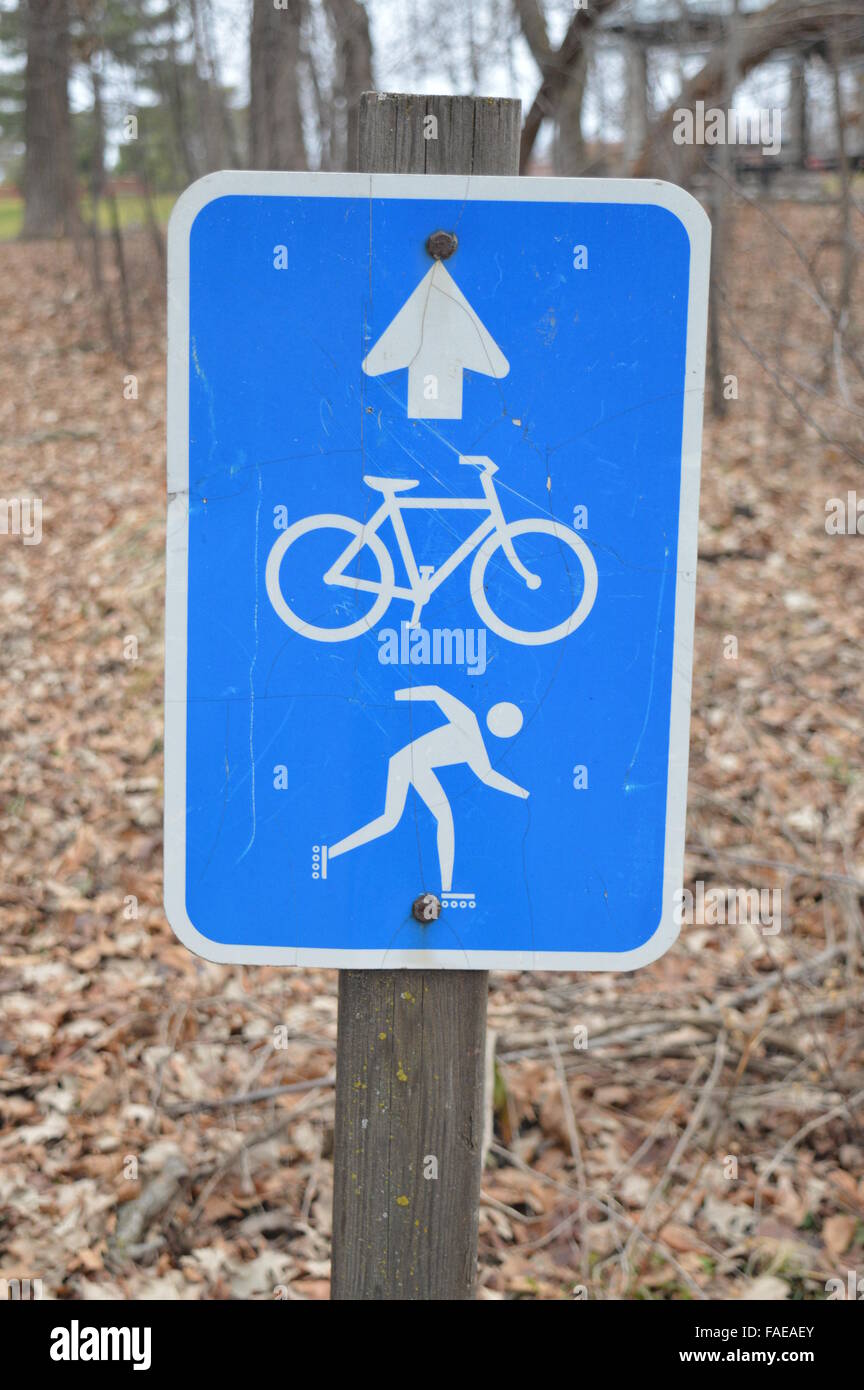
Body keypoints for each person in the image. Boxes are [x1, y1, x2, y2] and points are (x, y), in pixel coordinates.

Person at [327, 685, 528, 892]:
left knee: (413, 819)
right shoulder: (467, 719)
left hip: (414, 765)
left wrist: (522, 792)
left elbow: (488, 777)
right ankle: (446, 888)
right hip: (405, 763)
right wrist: (391, 696)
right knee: (394, 820)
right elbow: (435, 691)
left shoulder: (477, 747)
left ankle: (446, 888)